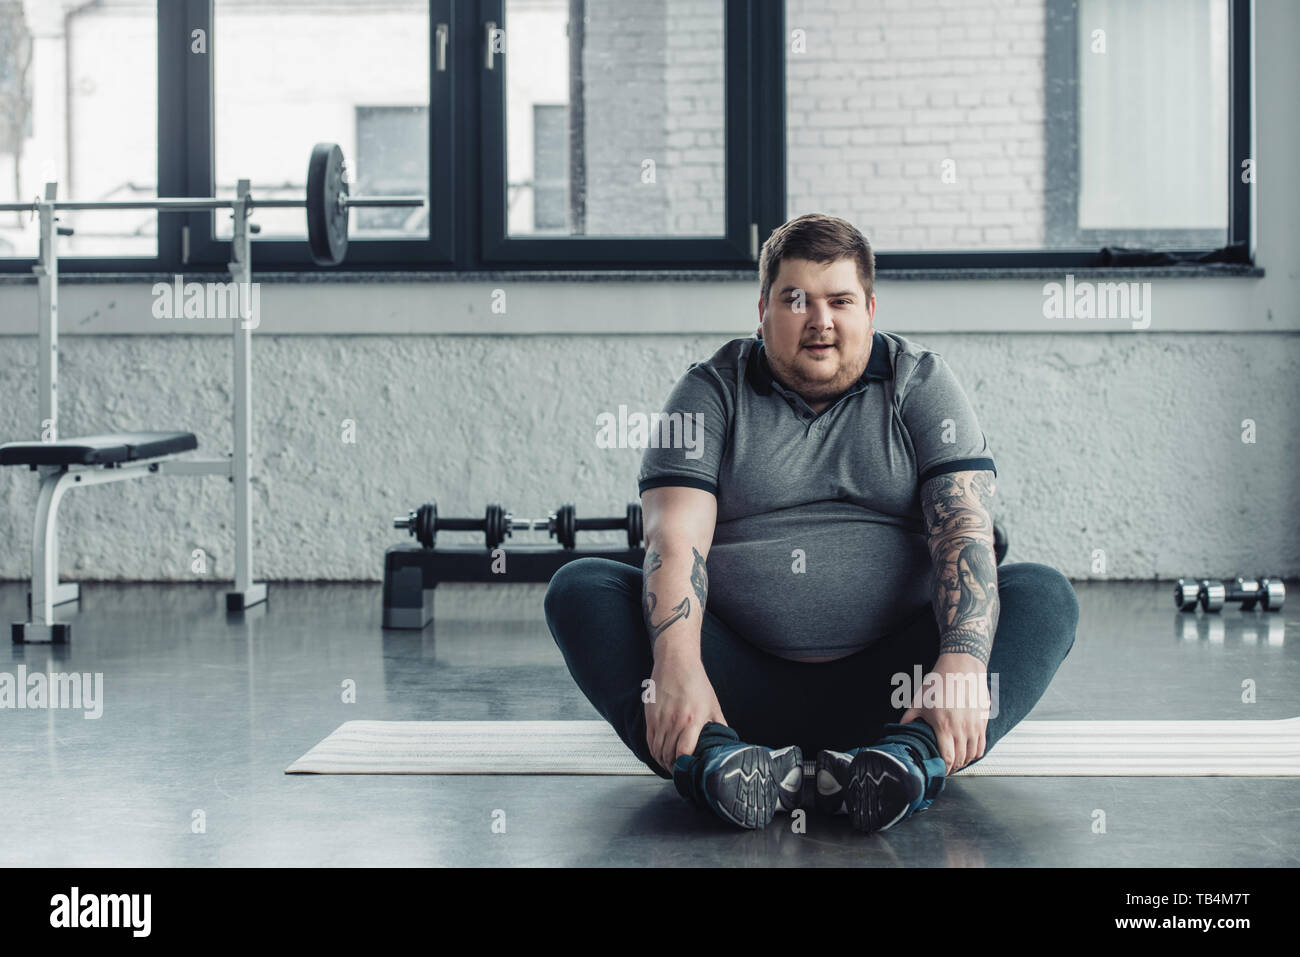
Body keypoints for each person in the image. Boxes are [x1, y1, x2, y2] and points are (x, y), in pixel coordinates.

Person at [544, 213, 1078, 832]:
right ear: (763, 310)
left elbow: (963, 528)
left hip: (898, 690)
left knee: (1043, 594)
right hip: (734, 688)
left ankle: (904, 764)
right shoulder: (708, 392)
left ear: (870, 309)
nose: (820, 321)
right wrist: (679, 666)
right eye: (796, 300)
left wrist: (959, 661)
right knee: (581, 588)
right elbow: (674, 538)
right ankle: (720, 765)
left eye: (840, 301)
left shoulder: (921, 383)